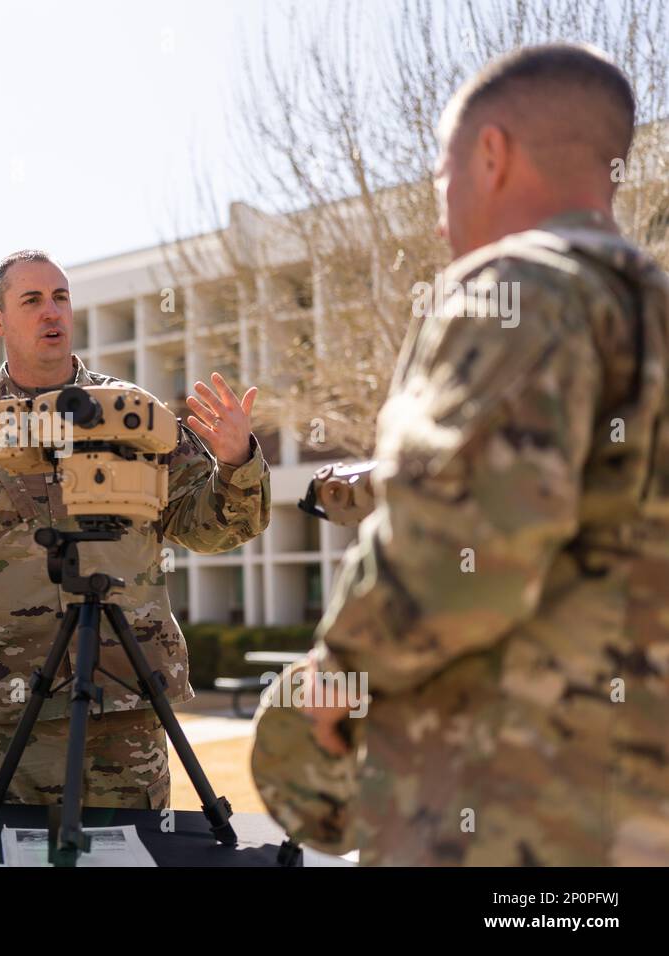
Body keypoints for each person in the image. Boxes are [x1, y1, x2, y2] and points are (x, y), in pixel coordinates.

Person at [257, 42, 669, 865]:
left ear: (492, 155)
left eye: (442, 180)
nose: (442, 214)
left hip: (504, 815)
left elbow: (460, 557)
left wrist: (332, 676)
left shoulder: (515, 292)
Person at [0, 249, 270, 808]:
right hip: (2, 711)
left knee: (128, 853)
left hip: (123, 701)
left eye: (60, 297)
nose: (51, 312)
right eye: (31, 300)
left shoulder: (136, 417)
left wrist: (238, 462)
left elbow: (214, 529)